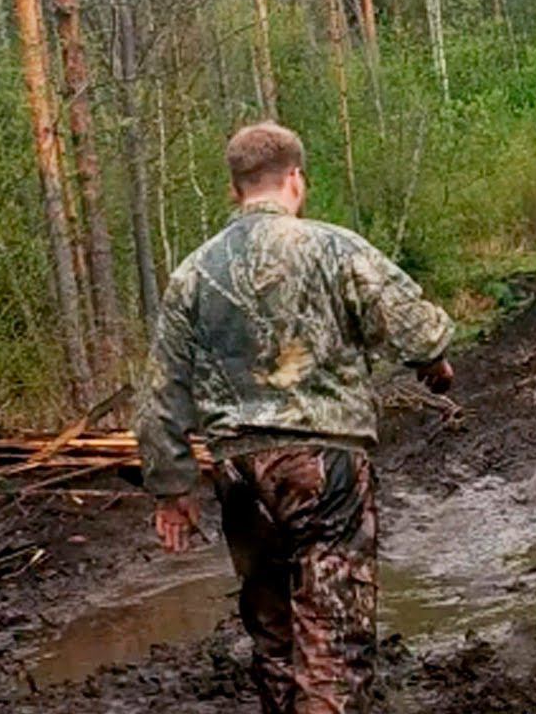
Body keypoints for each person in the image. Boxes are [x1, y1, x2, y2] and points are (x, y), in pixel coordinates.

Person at [135, 121, 455, 714]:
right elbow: (418, 329)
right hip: (324, 466)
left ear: (235, 191)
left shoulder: (192, 275)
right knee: (333, 641)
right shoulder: (335, 249)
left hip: (237, 473)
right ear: (296, 180)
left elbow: (159, 396)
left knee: (275, 641)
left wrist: (172, 487)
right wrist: (434, 363)